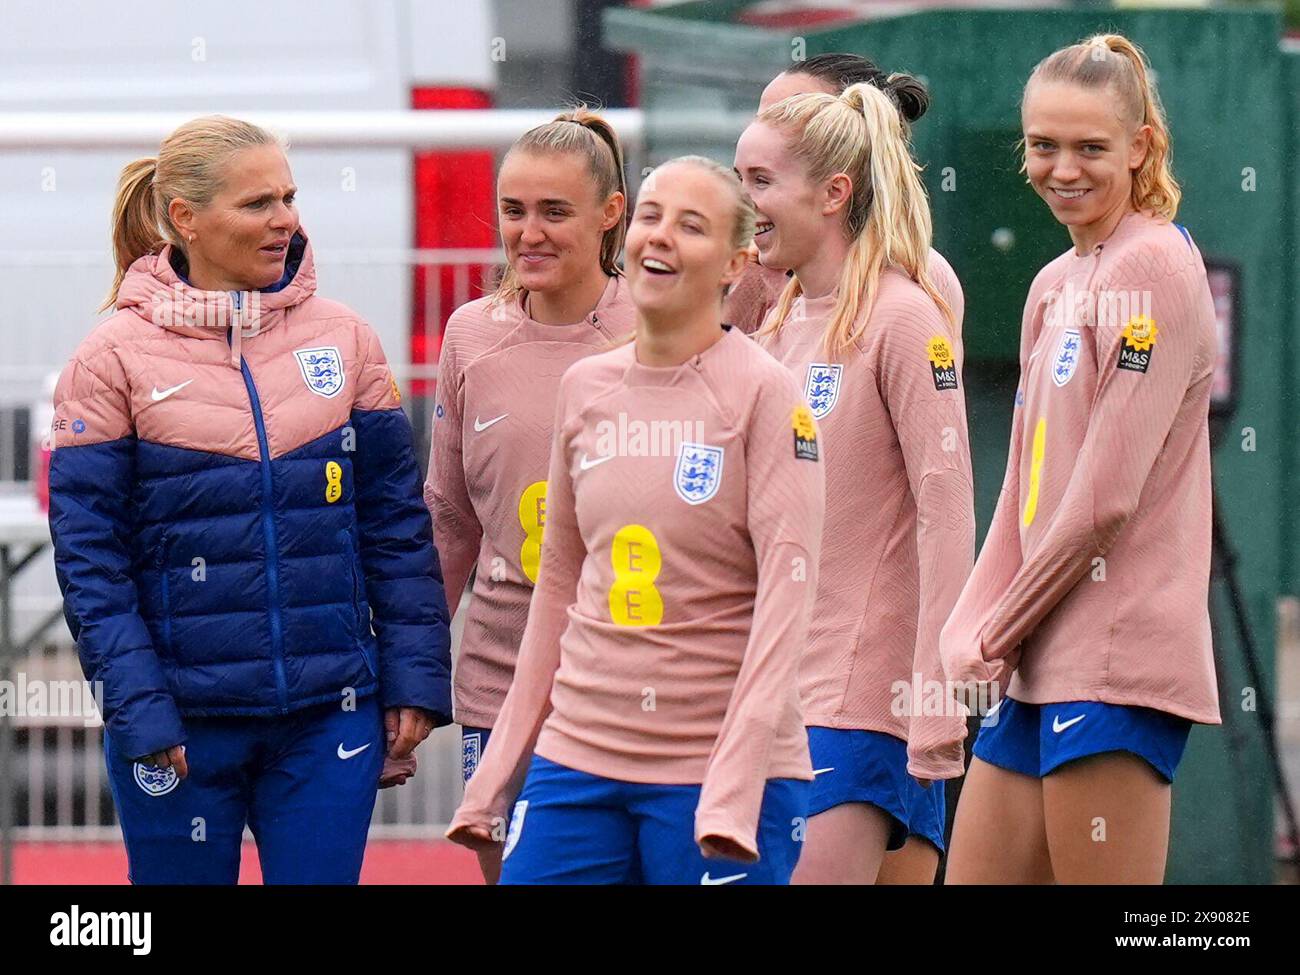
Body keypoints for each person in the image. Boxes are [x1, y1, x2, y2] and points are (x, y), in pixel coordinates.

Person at [48, 115, 452, 884]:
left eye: (289, 197)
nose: (285, 219)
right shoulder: (108, 360)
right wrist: (137, 705)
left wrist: (413, 676)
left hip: (328, 715)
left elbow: (396, 527)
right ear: (186, 218)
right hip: (179, 727)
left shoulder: (348, 340)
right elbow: (91, 560)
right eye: (259, 202)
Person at [444, 156, 825, 884]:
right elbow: (558, 586)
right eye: (652, 216)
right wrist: (497, 773)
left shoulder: (766, 394)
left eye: (692, 225)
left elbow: (788, 597)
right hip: (577, 757)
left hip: (712, 767)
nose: (661, 236)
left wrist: (735, 780)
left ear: (736, 263)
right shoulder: (586, 387)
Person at [941, 35, 1220, 884]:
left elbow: (1104, 501)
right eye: (1044, 145)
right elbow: (1024, 488)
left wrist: (993, 631)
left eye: (1090, 147)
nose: (1063, 169)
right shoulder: (1052, 283)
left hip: (1115, 662)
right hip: (1035, 658)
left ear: (1139, 147)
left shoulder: (1155, 266)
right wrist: (968, 627)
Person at [735, 79, 975, 886]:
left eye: (761, 182)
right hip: (783, 695)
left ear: (834, 193)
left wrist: (938, 693)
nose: (746, 204)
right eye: (739, 181)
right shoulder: (779, 322)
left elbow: (948, 509)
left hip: (861, 703)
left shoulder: (903, 315)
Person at [424, 107, 634, 883]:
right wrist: (409, 675)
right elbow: (449, 520)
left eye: (555, 212)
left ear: (610, 213)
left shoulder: (661, 325)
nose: (529, 232)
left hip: (632, 687)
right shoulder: (470, 335)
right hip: (500, 682)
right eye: (513, 210)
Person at [724, 52, 964, 359]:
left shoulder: (917, 277)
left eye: (796, 115)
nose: (771, 132)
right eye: (765, 119)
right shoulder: (752, 265)